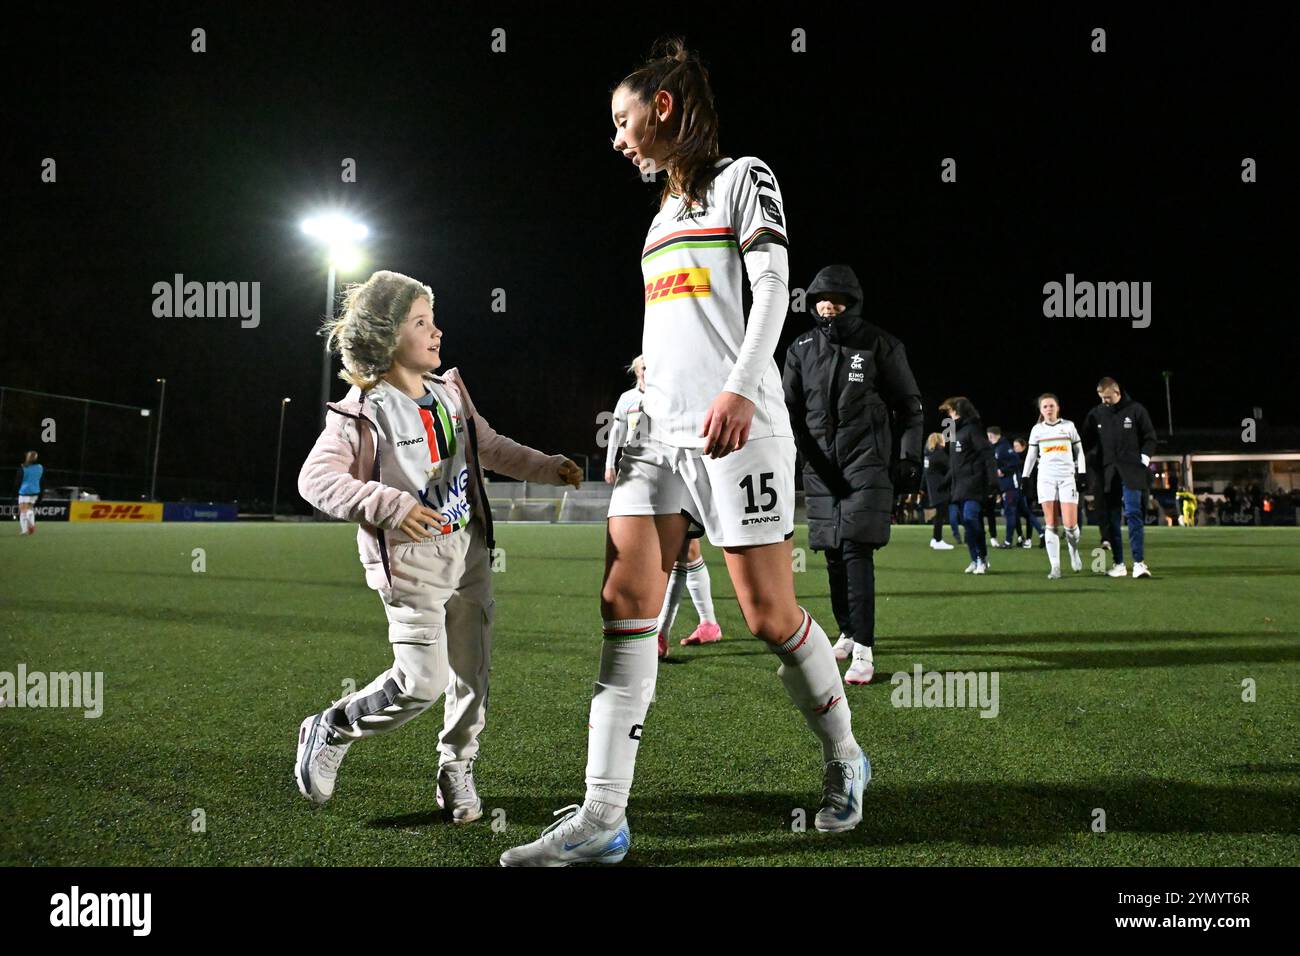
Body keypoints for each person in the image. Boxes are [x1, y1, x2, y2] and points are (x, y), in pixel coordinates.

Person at [501, 39, 868, 867]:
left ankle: (845, 757)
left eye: (624, 120)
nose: (618, 138)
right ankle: (603, 817)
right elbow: (668, 330)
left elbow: (776, 289)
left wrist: (739, 389)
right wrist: (637, 401)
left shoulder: (745, 177)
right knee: (624, 601)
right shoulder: (659, 217)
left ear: (662, 107)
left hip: (738, 426)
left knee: (771, 616)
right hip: (657, 437)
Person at [294, 270, 581, 823]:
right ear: (385, 336)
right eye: (420, 322)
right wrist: (393, 505)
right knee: (421, 682)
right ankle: (333, 726)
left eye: (433, 319)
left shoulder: (450, 392)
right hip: (411, 568)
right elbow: (315, 479)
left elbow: (490, 447)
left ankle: (457, 769)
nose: (437, 331)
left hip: (469, 556)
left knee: (472, 674)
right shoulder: (365, 408)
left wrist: (546, 466)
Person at [783, 264, 924, 686]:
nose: (827, 305)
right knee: (830, 550)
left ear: (852, 302)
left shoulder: (881, 344)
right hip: (820, 468)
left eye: (836, 299)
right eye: (820, 299)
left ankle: (863, 648)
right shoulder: (801, 347)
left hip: (867, 463)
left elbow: (911, 407)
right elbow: (788, 409)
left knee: (854, 549)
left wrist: (908, 462)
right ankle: (845, 631)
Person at [607, 356, 723, 656]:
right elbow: (616, 434)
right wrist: (611, 464)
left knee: (681, 552)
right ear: (637, 373)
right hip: (642, 478)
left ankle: (661, 633)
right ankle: (708, 623)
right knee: (687, 553)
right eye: (643, 369)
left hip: (678, 476)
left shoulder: (673, 395)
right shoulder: (628, 400)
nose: (648, 373)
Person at [1082, 377, 1157, 578]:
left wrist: (1144, 459)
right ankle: (1119, 564)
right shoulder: (1096, 414)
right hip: (1108, 474)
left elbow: (1150, 437)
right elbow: (1084, 442)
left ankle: (1139, 563)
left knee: (1133, 513)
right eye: (1101, 397)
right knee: (1112, 518)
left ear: (1117, 392)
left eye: (1107, 397)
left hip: (1132, 471)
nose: (1104, 401)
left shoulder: (1136, 410)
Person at [1021, 393, 1086, 578]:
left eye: (1051, 406)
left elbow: (1079, 451)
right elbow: (1031, 456)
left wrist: (1082, 473)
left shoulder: (1068, 426)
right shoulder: (1037, 430)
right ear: (1041, 411)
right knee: (1050, 523)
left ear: (1057, 408)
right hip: (1046, 478)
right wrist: (1025, 477)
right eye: (1045, 407)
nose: (1049, 409)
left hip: (1067, 477)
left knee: (1070, 525)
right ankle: (1055, 567)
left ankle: (1073, 550)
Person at [940, 396, 998, 574]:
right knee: (967, 523)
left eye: (950, 411)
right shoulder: (955, 433)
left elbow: (987, 454)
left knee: (971, 518)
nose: (949, 415)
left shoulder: (973, 430)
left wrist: (993, 481)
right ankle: (975, 559)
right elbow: (957, 464)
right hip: (959, 487)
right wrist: (945, 482)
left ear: (959, 411)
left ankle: (982, 557)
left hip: (974, 485)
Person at [924, 433, 956, 551]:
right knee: (940, 515)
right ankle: (938, 540)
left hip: (932, 488)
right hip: (940, 488)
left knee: (939, 514)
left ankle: (934, 539)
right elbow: (951, 468)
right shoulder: (939, 454)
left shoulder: (928, 454)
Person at [1011, 436, 1045, 548]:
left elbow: (1034, 476)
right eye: (1014, 446)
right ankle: (1022, 537)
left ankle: (1031, 537)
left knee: (1028, 514)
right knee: (1018, 514)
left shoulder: (1028, 458)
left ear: (1023, 446)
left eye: (1017, 446)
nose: (1014, 448)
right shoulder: (1017, 458)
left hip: (1027, 491)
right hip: (1021, 490)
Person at [15, 451, 43, 536]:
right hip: (35, 491)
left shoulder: (23, 468)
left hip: (25, 491)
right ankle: (27, 529)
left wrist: (15, 491)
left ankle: (26, 529)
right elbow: (42, 480)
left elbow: (17, 481)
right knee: (29, 508)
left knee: (23, 510)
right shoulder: (40, 467)